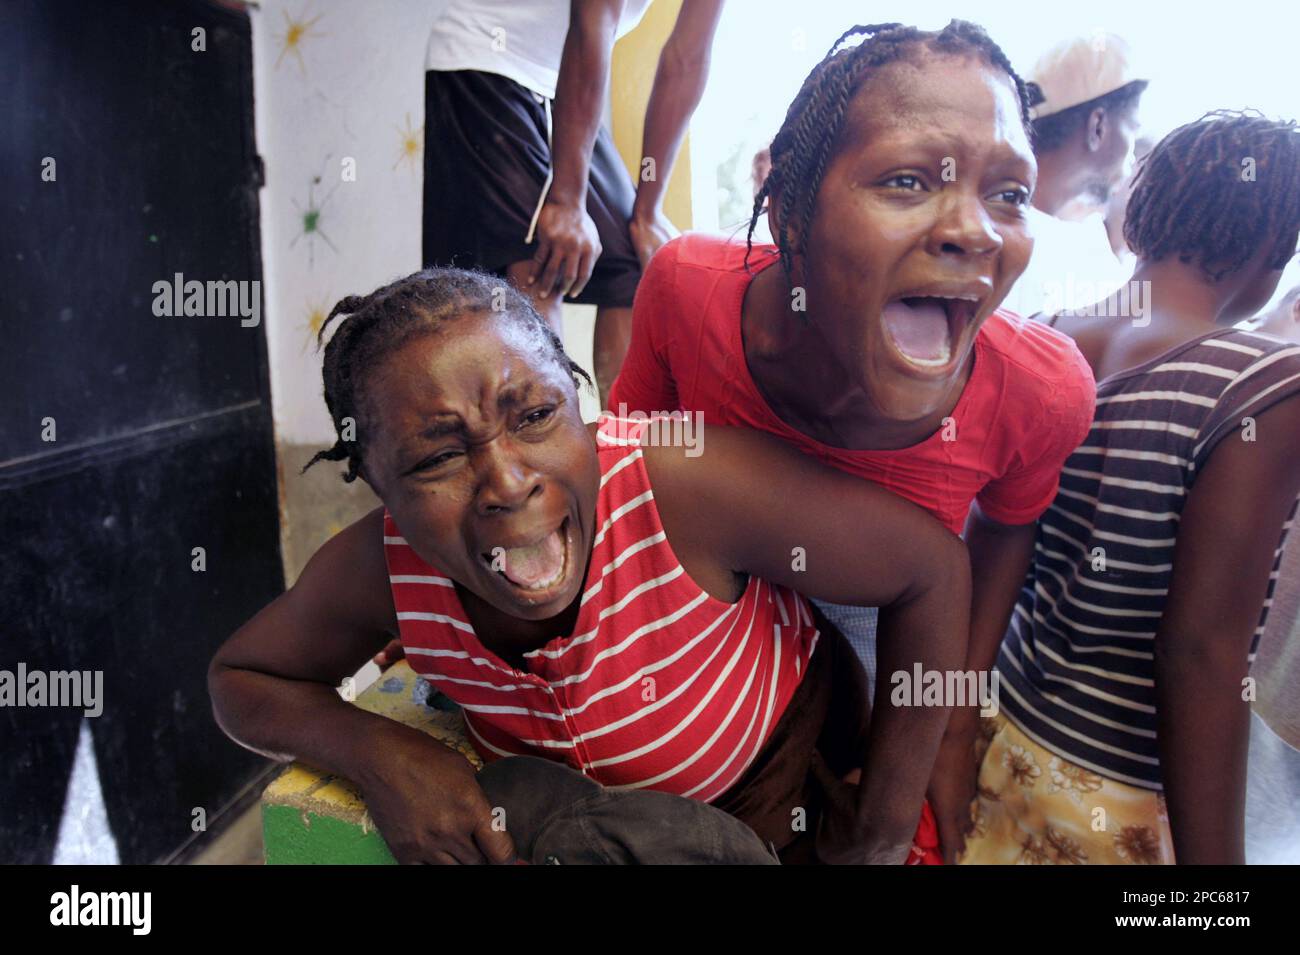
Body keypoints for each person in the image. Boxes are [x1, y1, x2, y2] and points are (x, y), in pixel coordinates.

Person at [209, 268, 972, 864]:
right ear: (378, 486)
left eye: (536, 415)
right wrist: (383, 756)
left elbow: (930, 568)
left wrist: (882, 828)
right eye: (438, 455)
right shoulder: (383, 569)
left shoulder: (679, 487)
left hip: (783, 803)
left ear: (583, 406)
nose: (507, 480)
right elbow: (240, 680)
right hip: (602, 836)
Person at [608, 20, 1096, 860]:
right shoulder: (687, 293)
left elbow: (1008, 528)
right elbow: (626, 478)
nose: (973, 230)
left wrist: (945, 721)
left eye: (1010, 193)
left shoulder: (1042, 390)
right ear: (793, 203)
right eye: (908, 180)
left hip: (898, 656)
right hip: (703, 643)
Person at [960, 112, 1300, 865]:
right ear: (1275, 247)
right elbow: (1199, 655)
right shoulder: (1264, 386)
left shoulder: (1043, 337)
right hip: (1118, 807)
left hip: (1003, 740)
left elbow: (988, 555)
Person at [422, 0, 724, 407]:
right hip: (487, 60)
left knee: (634, 268)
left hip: (556, 82)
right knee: (543, 262)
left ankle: (626, 454)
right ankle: (555, 453)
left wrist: (648, 212)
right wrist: (565, 201)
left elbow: (686, 60)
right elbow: (591, 24)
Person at [1000, 32, 1148, 319]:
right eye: (1133, 128)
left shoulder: (987, 222)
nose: (1131, 156)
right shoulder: (1067, 249)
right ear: (1098, 127)